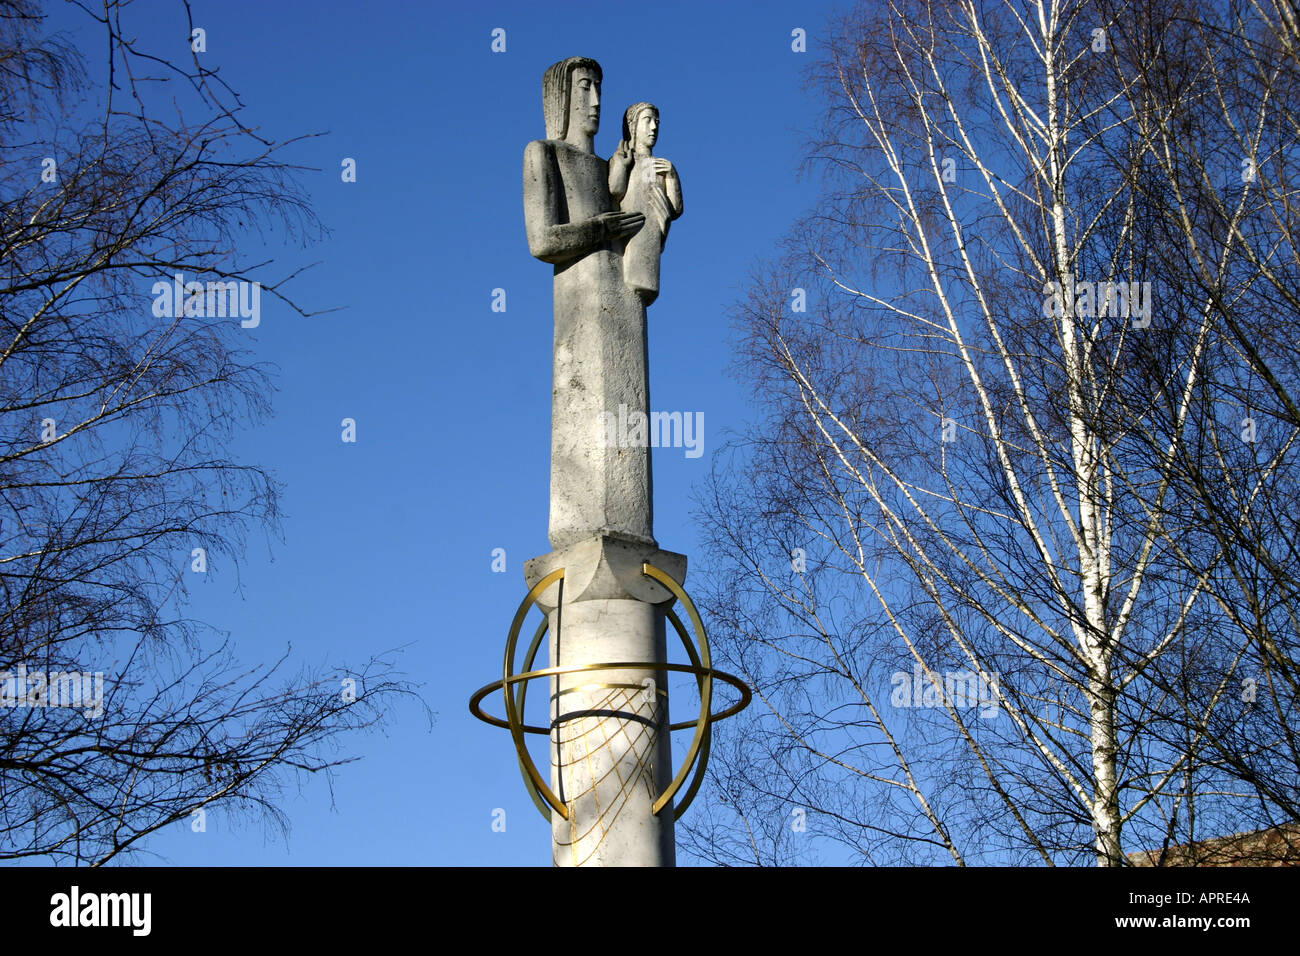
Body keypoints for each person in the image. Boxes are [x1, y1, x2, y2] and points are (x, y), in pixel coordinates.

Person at [607, 102, 684, 305]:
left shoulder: (657, 165)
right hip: (631, 235)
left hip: (652, 234)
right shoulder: (624, 158)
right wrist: (621, 165)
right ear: (633, 125)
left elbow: (675, 208)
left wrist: (671, 177)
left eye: (656, 122)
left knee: (644, 284)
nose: (653, 128)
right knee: (632, 281)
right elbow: (616, 190)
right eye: (647, 120)